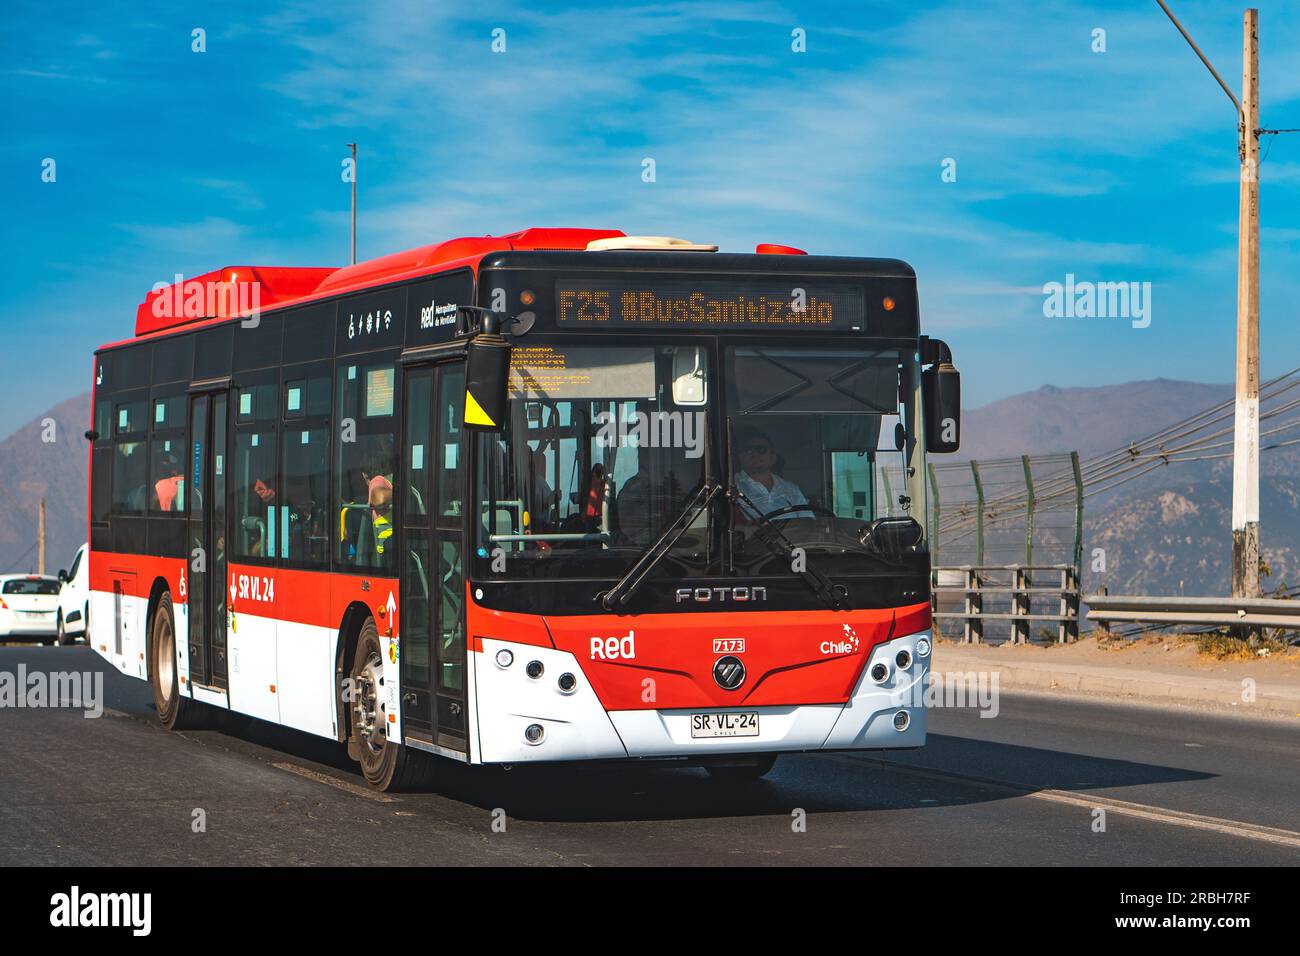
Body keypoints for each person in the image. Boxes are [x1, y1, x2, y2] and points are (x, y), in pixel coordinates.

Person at [733, 427, 811, 520]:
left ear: (773, 457)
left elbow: (807, 523)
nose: (755, 455)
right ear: (740, 456)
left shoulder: (791, 489)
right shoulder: (732, 486)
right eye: (748, 450)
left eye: (762, 450)